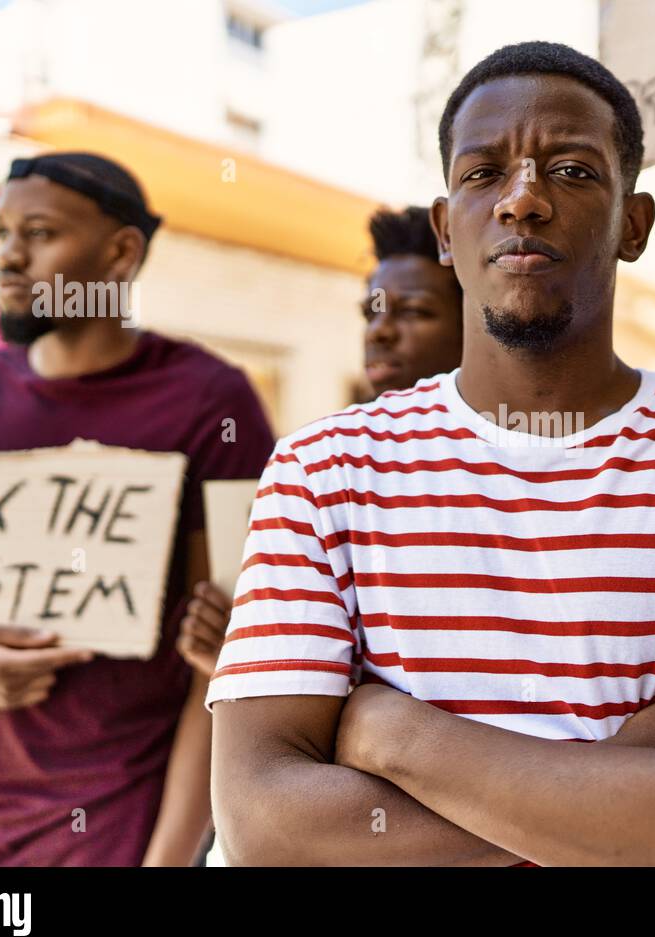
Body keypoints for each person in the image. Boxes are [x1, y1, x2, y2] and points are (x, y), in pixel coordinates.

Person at [208, 41, 655, 866]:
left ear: (634, 223)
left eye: (574, 172)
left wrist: (398, 735)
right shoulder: (321, 470)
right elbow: (266, 829)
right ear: (447, 231)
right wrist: (627, 789)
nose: (523, 201)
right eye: (483, 173)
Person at [0, 152, 274, 866]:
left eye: (39, 232)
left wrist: (169, 859)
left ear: (121, 251)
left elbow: (221, 668)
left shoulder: (215, 403)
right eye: (1, 232)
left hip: (118, 832)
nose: (9, 255)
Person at [178, 205, 464, 674]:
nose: (380, 331)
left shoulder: (502, 468)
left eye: (415, 312)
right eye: (370, 313)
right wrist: (245, 656)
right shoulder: (318, 467)